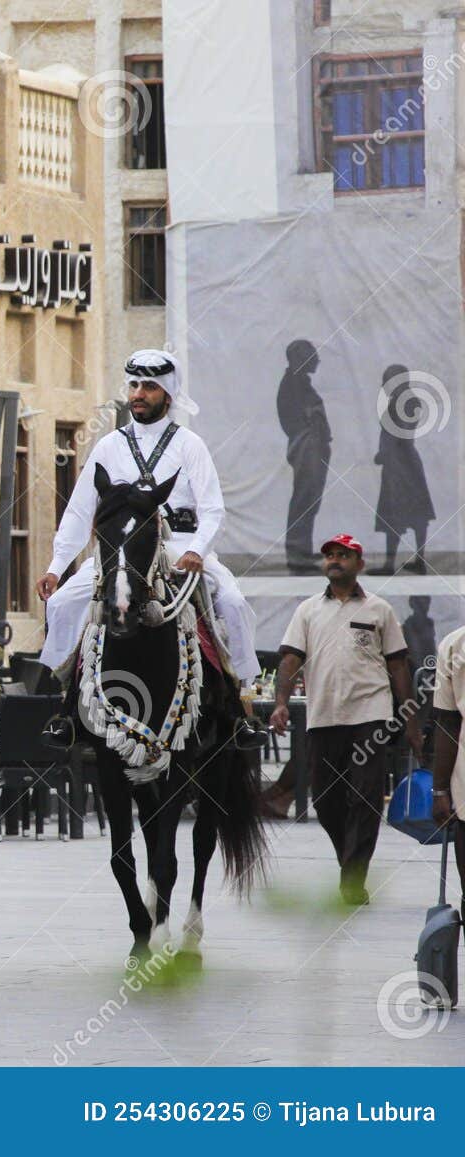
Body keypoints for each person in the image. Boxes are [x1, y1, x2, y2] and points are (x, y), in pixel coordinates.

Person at [38, 350, 261, 687]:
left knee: (233, 603)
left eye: (149, 387)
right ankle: (64, 695)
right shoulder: (109, 445)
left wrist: (198, 551)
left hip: (180, 545)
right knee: (62, 603)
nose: (138, 394)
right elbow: (79, 511)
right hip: (120, 550)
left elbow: (213, 509)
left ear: (168, 395)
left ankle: (242, 692)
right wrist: (56, 567)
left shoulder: (190, 445)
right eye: (134, 385)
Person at [269, 534, 420, 906]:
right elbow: (289, 660)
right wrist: (281, 702)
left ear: (359, 564)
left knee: (366, 799)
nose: (335, 560)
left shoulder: (378, 609)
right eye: (330, 556)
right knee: (325, 800)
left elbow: (398, 665)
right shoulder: (307, 610)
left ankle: (353, 879)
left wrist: (411, 720)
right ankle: (348, 864)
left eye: (343, 555)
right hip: (323, 717)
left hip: (371, 714)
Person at [372, 364, 435, 575]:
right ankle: (396, 563)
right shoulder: (399, 402)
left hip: (402, 465)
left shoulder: (408, 402)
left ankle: (417, 560)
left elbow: (403, 434)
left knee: (411, 512)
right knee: (395, 512)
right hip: (397, 464)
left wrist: (386, 453)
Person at [277, 340, 331, 574]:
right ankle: (297, 556)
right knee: (304, 500)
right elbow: (292, 419)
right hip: (306, 449)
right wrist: (310, 434)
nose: (317, 360)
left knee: (310, 501)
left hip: (313, 448)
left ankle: (302, 551)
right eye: (312, 355)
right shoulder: (293, 384)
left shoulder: (300, 383)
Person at [427, 623, 465, 899]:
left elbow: (447, 722)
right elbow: (447, 722)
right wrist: (439, 789)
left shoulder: (455, 643)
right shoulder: (454, 645)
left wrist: (440, 790)